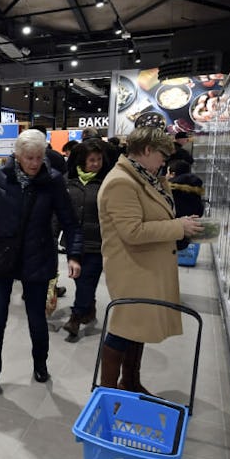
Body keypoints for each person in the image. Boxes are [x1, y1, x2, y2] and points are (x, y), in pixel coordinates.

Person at [0, 129, 83, 402]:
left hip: (38, 255)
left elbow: (70, 222)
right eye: (29, 158)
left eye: (39, 157)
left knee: (36, 319)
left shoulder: (54, 181)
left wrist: (74, 255)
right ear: (17, 155)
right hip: (2, 255)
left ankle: (40, 364)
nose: (35, 163)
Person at [97, 127, 203, 393]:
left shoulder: (145, 177)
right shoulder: (122, 182)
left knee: (138, 328)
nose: (164, 161)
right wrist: (179, 227)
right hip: (132, 268)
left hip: (145, 266)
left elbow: (159, 213)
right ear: (145, 150)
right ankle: (107, 391)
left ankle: (130, 382)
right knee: (124, 329)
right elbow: (132, 231)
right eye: (161, 155)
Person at [61, 139, 111, 340]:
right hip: (73, 241)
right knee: (80, 280)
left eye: (99, 159)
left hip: (96, 241)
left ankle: (75, 317)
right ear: (81, 160)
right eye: (92, 160)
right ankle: (89, 307)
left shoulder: (107, 183)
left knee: (86, 280)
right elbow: (59, 211)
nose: (96, 164)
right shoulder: (68, 181)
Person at [167, 159, 205, 250]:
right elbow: (200, 210)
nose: (166, 175)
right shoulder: (196, 189)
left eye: (167, 172)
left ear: (173, 174)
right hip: (187, 236)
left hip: (171, 235)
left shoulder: (169, 190)